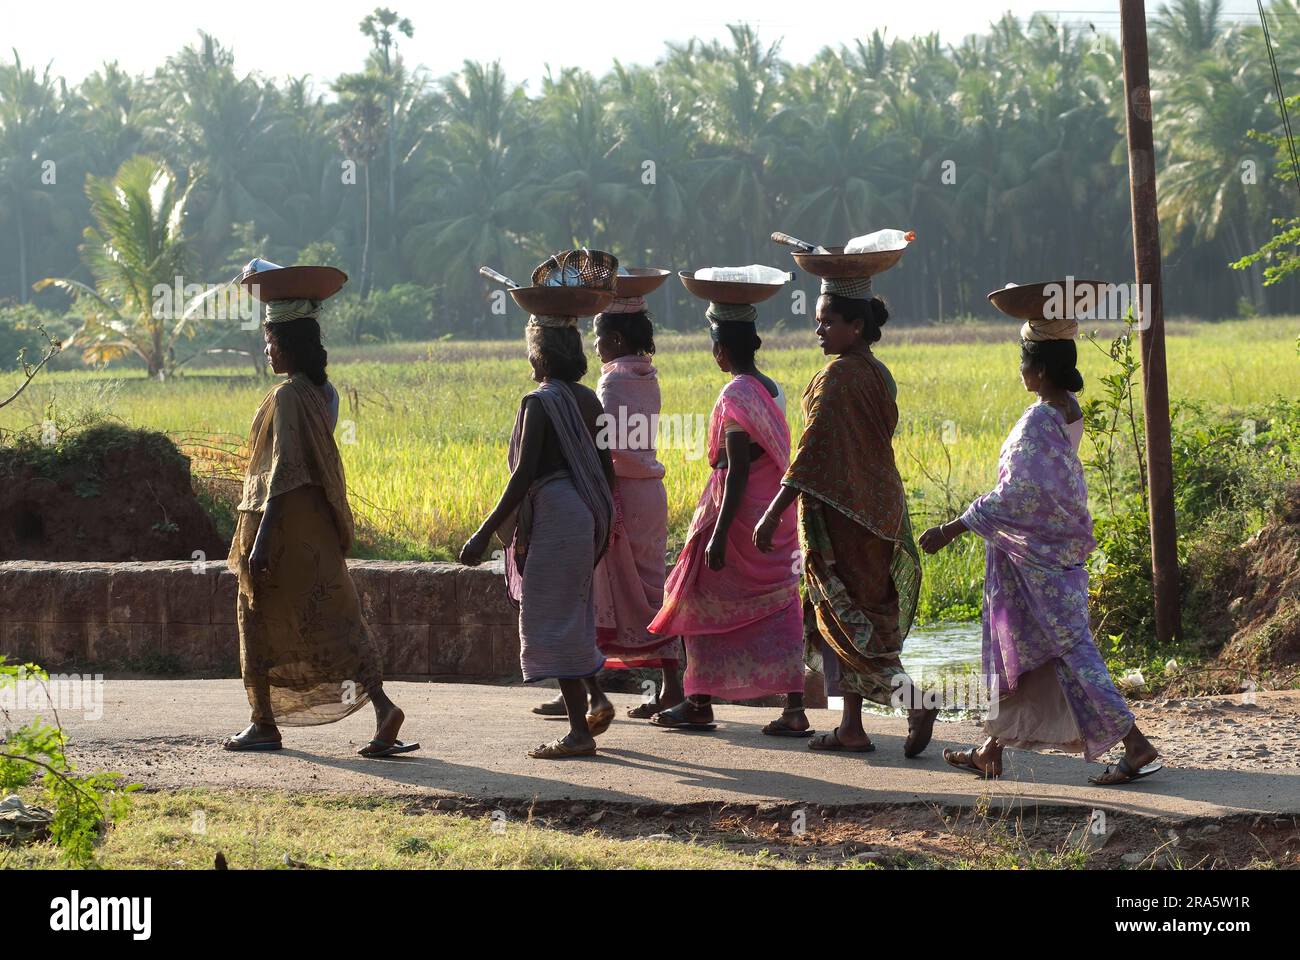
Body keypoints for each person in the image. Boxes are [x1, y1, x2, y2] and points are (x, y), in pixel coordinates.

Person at [918, 322, 1161, 785]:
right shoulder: (1068, 410)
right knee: (1031, 649)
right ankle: (991, 749)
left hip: (1039, 559)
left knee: (1072, 651)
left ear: (1041, 368)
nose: (1020, 369)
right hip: (1053, 552)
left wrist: (954, 527)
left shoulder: (1038, 419)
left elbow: (1022, 493)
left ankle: (1135, 743)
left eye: (1024, 359)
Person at [223, 261, 415, 758]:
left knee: (260, 617)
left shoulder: (288, 396)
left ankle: (263, 722)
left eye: (270, 342)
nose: (266, 351)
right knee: (333, 617)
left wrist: (262, 540)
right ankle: (382, 707)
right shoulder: (321, 393)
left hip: (280, 529)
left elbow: (285, 472)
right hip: (314, 531)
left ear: (288, 344)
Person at [754, 278, 938, 755]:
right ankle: (851, 727)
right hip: (880, 512)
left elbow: (812, 451)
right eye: (817, 321)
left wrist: (773, 513)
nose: (819, 330)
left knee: (845, 619)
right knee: (863, 616)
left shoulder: (837, 377)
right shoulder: (878, 374)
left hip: (844, 518)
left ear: (856, 326)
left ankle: (914, 700)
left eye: (829, 322)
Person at [648, 299, 809, 735]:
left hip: (738, 518)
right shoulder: (771, 388)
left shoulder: (735, 392)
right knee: (781, 604)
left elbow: (737, 469)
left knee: (697, 598)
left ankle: (698, 700)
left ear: (721, 349)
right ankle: (795, 707)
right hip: (774, 512)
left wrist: (718, 535)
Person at [460, 311, 616, 759]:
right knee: (572, 612)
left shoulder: (538, 402)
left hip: (556, 517)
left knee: (554, 618)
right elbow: (606, 469)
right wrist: (603, 522)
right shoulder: (591, 401)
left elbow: (523, 475)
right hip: (587, 515)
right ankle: (597, 699)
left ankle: (577, 733)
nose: (529, 360)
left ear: (542, 356)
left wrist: (484, 533)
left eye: (532, 351)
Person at [530, 295, 684, 720]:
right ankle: (671, 685)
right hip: (649, 493)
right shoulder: (647, 375)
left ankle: (578, 689)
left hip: (621, 495)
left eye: (597, 339)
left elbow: (607, 446)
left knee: (595, 591)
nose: (594, 348)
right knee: (653, 587)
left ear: (615, 340)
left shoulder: (612, 382)